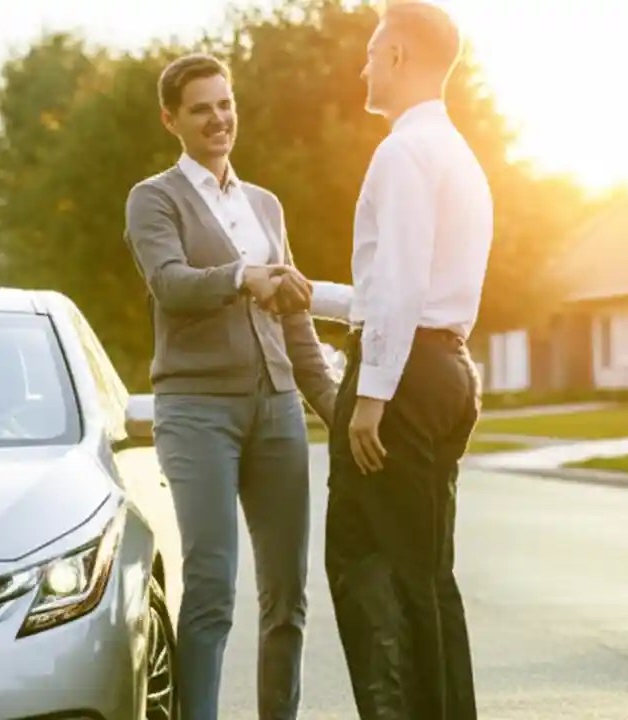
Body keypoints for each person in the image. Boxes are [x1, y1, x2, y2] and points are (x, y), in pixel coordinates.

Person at [276, 2, 493, 717]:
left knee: (371, 572)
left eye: (371, 51)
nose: (363, 65)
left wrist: (370, 396)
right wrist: (316, 298)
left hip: (400, 379)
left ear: (399, 55)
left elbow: (399, 284)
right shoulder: (458, 154)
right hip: (442, 365)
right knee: (427, 574)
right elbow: (403, 289)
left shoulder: (402, 152)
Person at [122, 53, 338, 720]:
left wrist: (336, 406)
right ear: (171, 119)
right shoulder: (154, 198)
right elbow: (170, 283)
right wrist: (243, 276)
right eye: (201, 108)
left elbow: (295, 319)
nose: (219, 118)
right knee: (212, 586)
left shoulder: (265, 204)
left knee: (287, 595)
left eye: (226, 104)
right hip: (197, 410)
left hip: (277, 409)